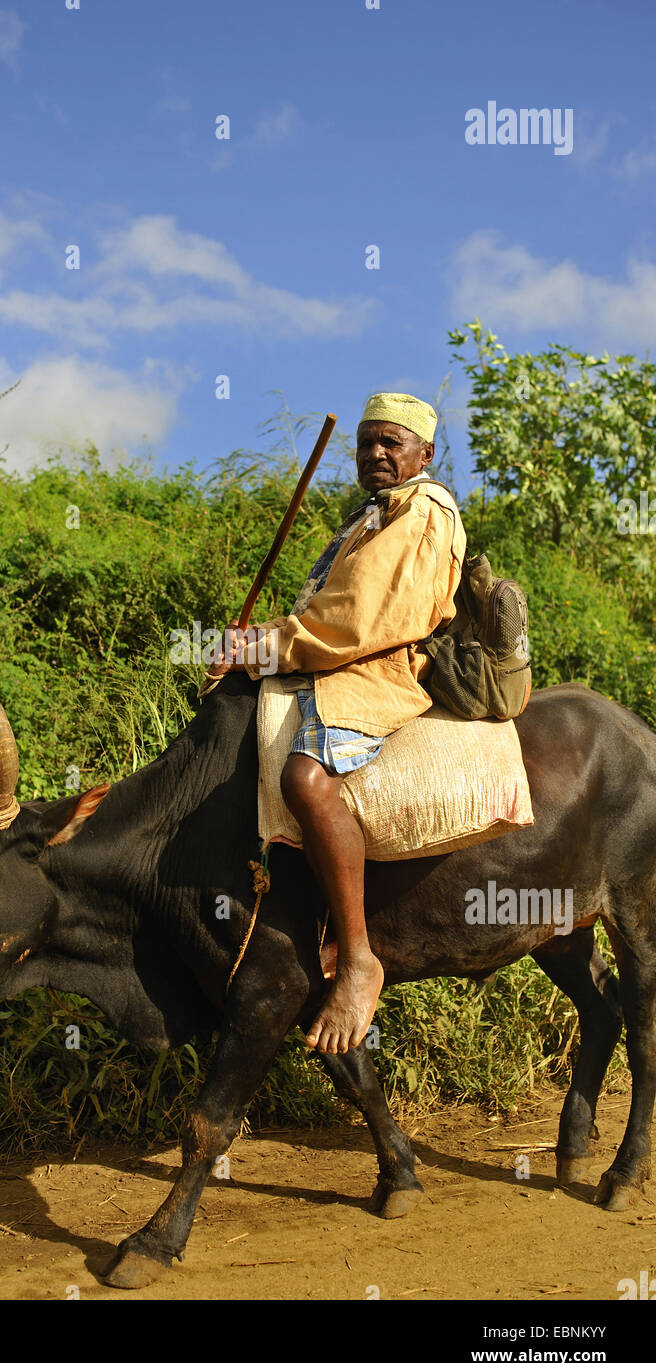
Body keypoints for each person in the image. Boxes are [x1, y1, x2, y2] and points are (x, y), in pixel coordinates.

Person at [206, 392, 466, 1054]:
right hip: (337, 660)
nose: (374, 453)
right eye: (366, 443)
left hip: (376, 669)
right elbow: (325, 616)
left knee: (305, 777)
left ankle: (357, 958)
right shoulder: (373, 513)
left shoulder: (423, 511)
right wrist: (252, 650)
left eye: (390, 443)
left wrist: (261, 647)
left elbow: (359, 622)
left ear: (425, 454)